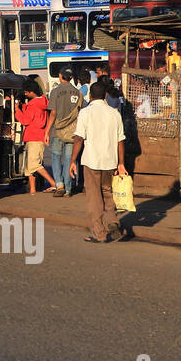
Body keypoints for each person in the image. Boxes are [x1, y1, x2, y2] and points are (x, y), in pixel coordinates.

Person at [71, 81, 128, 243]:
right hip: (110, 161)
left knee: (94, 198)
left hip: (91, 161)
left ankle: (99, 233)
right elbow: (120, 141)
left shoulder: (85, 113)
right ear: (105, 96)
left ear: (90, 96)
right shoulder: (114, 113)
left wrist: (72, 161)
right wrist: (121, 163)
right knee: (108, 193)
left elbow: (78, 139)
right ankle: (113, 221)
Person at [17, 77, 57, 194]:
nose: (25, 94)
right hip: (39, 136)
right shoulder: (42, 102)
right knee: (30, 166)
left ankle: (53, 183)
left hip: (34, 136)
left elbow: (25, 120)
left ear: (31, 92)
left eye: (26, 92)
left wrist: (17, 110)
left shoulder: (33, 105)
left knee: (34, 164)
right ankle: (33, 190)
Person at [47, 68, 83, 198]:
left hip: (58, 131)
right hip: (73, 132)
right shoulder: (78, 93)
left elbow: (53, 113)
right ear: (71, 78)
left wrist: (46, 131)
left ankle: (60, 185)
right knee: (69, 159)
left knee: (56, 157)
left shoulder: (55, 92)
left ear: (60, 76)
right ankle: (68, 189)